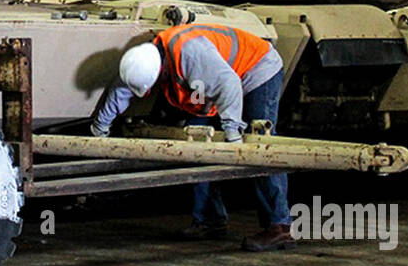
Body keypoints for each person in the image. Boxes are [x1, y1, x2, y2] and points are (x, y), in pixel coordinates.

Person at [90, 22, 295, 251]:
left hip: (256, 68)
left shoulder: (190, 53)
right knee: (196, 143)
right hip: (220, 79)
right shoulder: (143, 59)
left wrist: (232, 133)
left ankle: (279, 227)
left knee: (259, 142)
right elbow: (121, 90)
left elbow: (229, 84)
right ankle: (210, 220)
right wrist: (100, 128)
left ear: (160, 72)